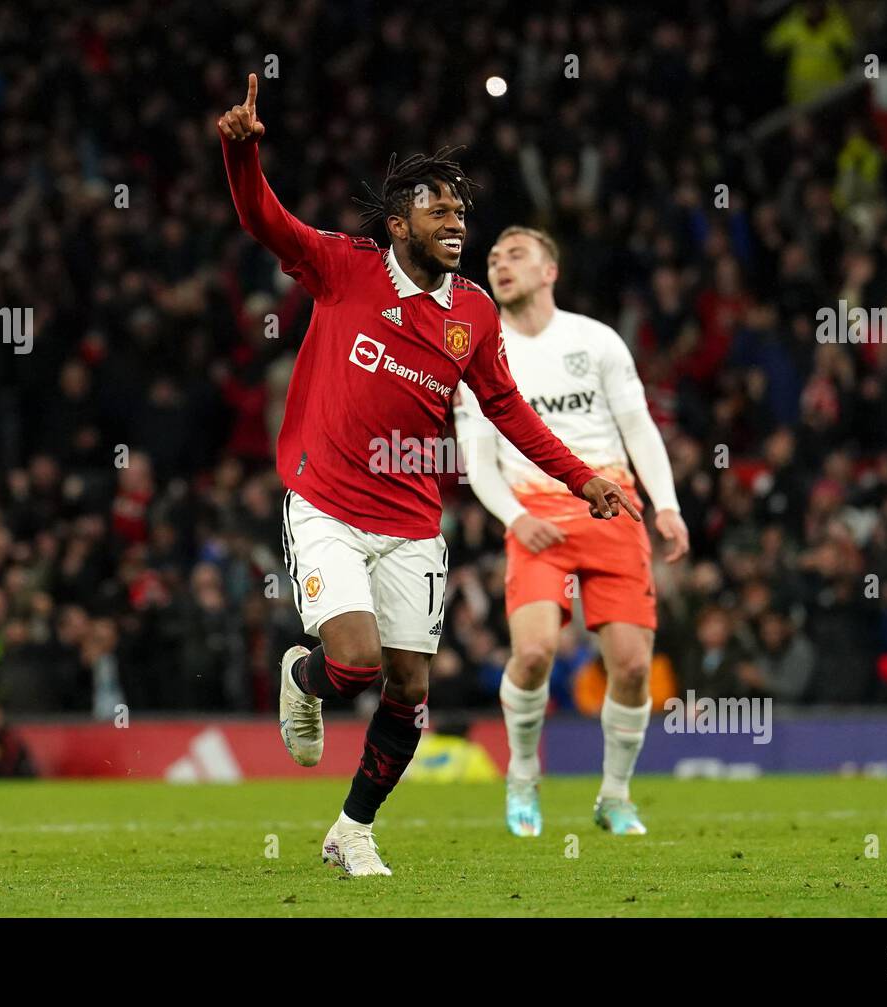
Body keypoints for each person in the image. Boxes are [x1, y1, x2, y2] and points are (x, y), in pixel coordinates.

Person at [218, 74, 640, 876]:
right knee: (354, 663)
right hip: (328, 505)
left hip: (412, 520)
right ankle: (303, 677)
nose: (456, 222)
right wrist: (242, 153)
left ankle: (353, 829)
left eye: (461, 211)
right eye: (439, 209)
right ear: (398, 220)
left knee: (409, 689)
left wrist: (582, 476)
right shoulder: (344, 268)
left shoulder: (474, 312)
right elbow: (262, 221)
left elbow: (508, 408)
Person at [455, 227, 690, 836]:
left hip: (612, 511)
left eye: (516, 255)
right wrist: (516, 518)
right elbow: (478, 462)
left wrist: (666, 504)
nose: (500, 265)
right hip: (536, 518)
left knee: (634, 668)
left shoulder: (596, 341)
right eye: (493, 259)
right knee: (532, 653)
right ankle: (524, 775)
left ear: (550, 270)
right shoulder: (479, 350)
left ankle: (614, 796)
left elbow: (638, 429)